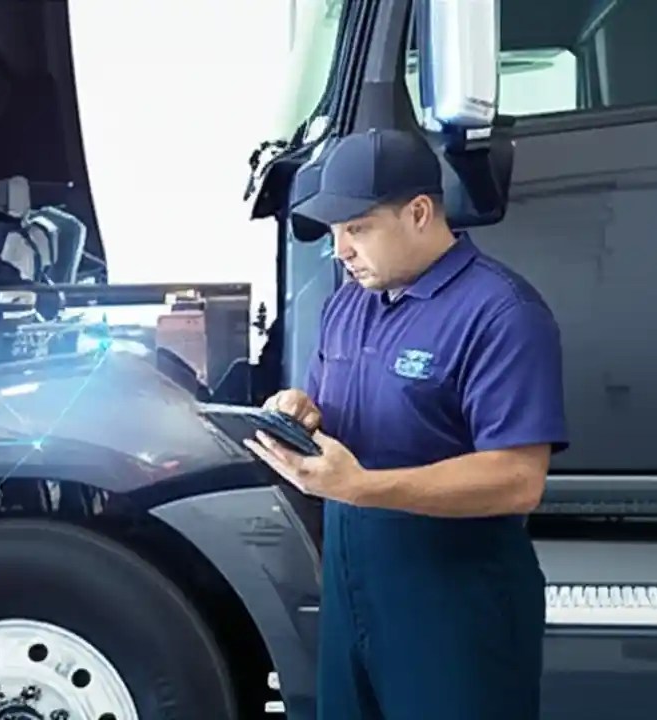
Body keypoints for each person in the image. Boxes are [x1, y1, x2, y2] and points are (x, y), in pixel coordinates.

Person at [243, 128, 568, 720]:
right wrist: (301, 412)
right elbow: (336, 410)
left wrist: (361, 487)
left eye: (358, 228)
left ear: (419, 213)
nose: (341, 250)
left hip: (456, 612)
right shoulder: (347, 305)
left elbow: (519, 479)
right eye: (336, 233)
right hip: (353, 599)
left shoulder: (501, 314)